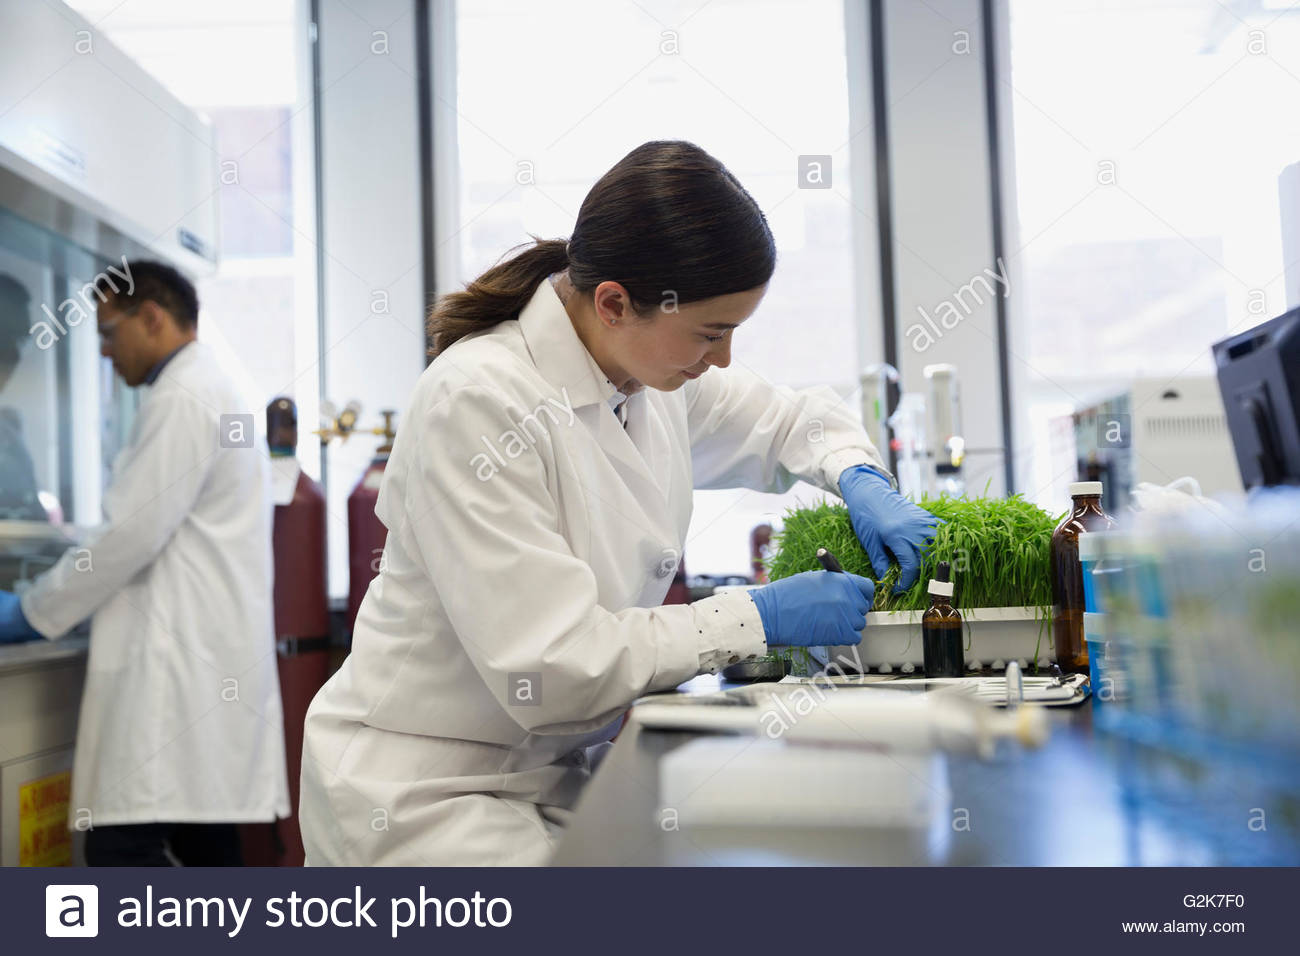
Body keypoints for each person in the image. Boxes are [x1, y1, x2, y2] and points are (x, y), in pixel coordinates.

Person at [299, 141, 938, 866]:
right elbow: (554, 667)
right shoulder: (476, 401)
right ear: (613, 303)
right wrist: (759, 616)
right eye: (711, 331)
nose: (722, 357)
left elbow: (790, 420)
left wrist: (861, 479)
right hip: (422, 796)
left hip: (547, 775)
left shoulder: (646, 377)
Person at [0, 261, 289, 865]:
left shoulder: (185, 395)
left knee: (121, 850)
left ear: (151, 318)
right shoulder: (209, 385)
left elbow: (127, 535)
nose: (105, 353)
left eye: (108, 333)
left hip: (174, 680)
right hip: (199, 672)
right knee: (204, 846)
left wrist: (30, 612)